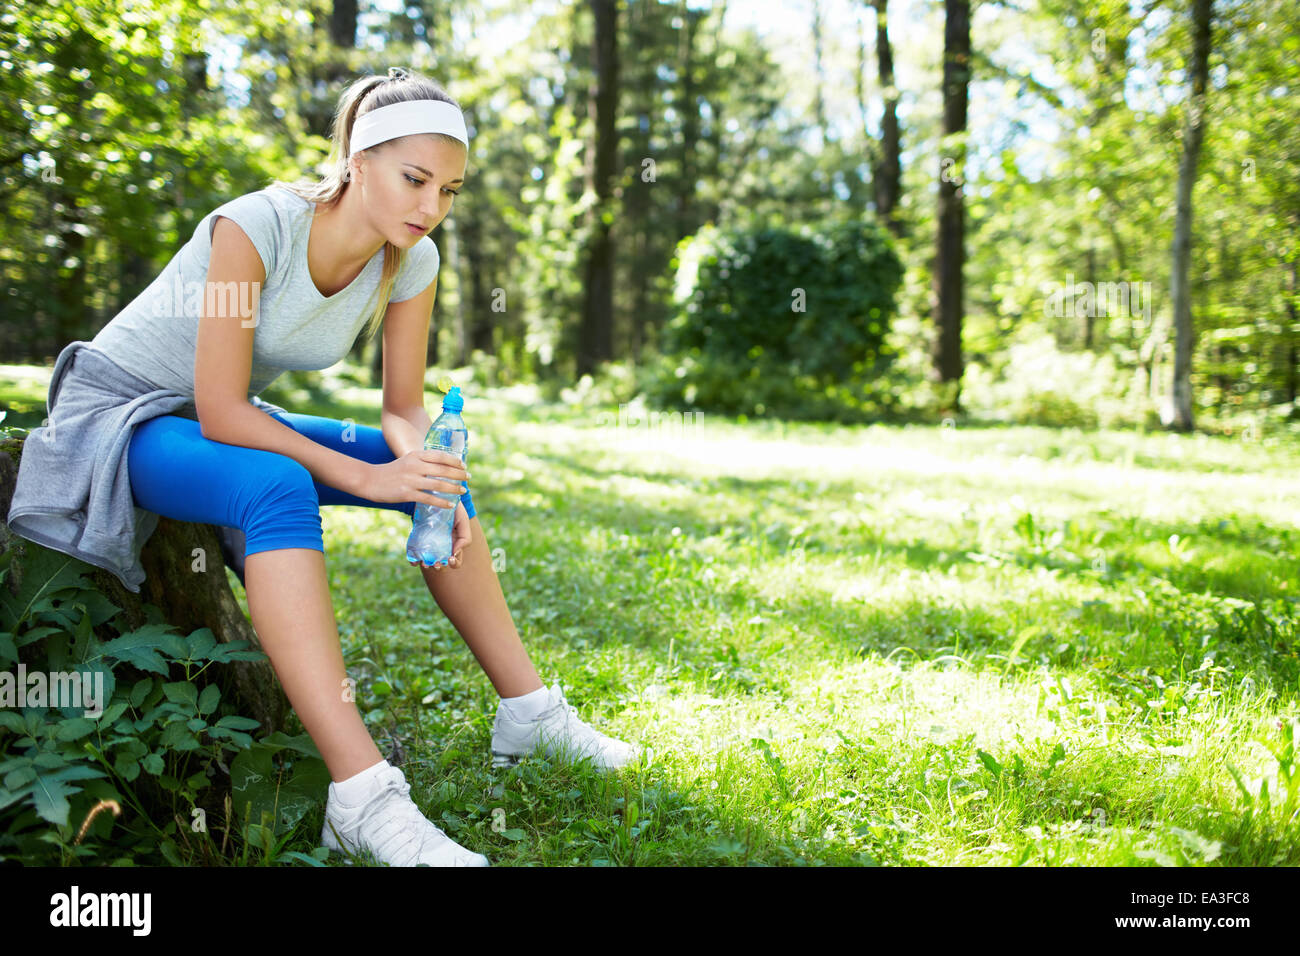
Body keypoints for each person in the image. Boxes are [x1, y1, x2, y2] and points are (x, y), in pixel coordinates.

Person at [5, 68, 638, 867]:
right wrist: (371, 482)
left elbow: (403, 410)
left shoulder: (413, 260)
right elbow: (226, 407)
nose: (429, 206)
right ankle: (362, 797)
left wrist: (425, 472)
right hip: (121, 414)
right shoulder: (253, 226)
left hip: (206, 417)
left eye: (449, 189)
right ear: (357, 158)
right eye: (415, 179)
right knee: (277, 483)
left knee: (436, 465)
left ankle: (529, 713)